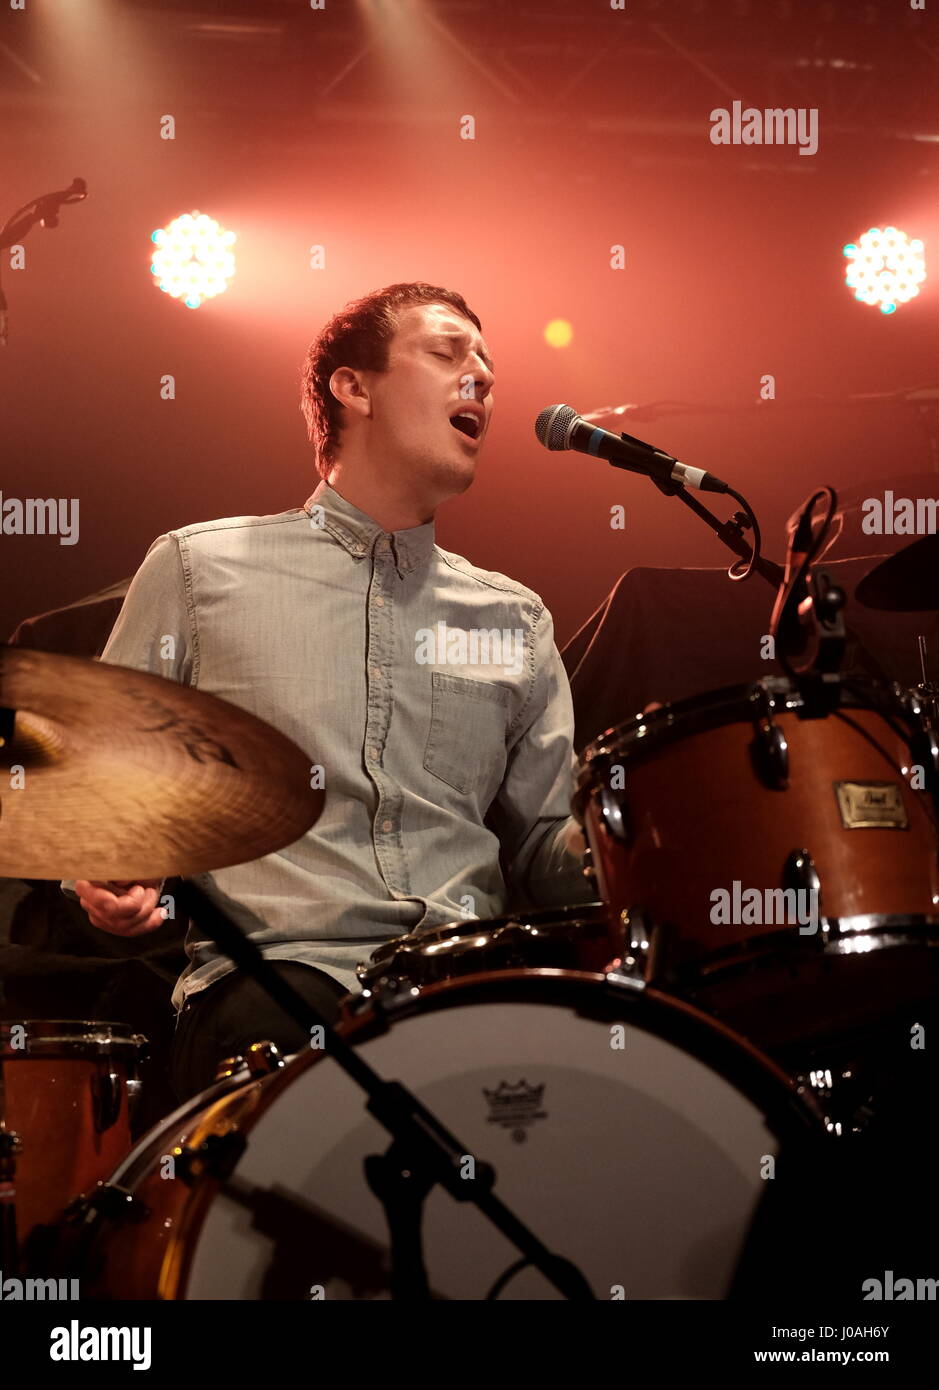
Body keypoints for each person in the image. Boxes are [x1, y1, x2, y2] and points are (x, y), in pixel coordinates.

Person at [70, 282, 592, 1099]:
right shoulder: (199, 569)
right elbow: (102, 782)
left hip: (473, 985)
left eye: (488, 364)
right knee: (287, 1033)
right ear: (352, 388)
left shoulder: (513, 618)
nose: (482, 378)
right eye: (449, 353)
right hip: (283, 983)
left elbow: (545, 852)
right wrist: (111, 869)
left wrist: (650, 831)